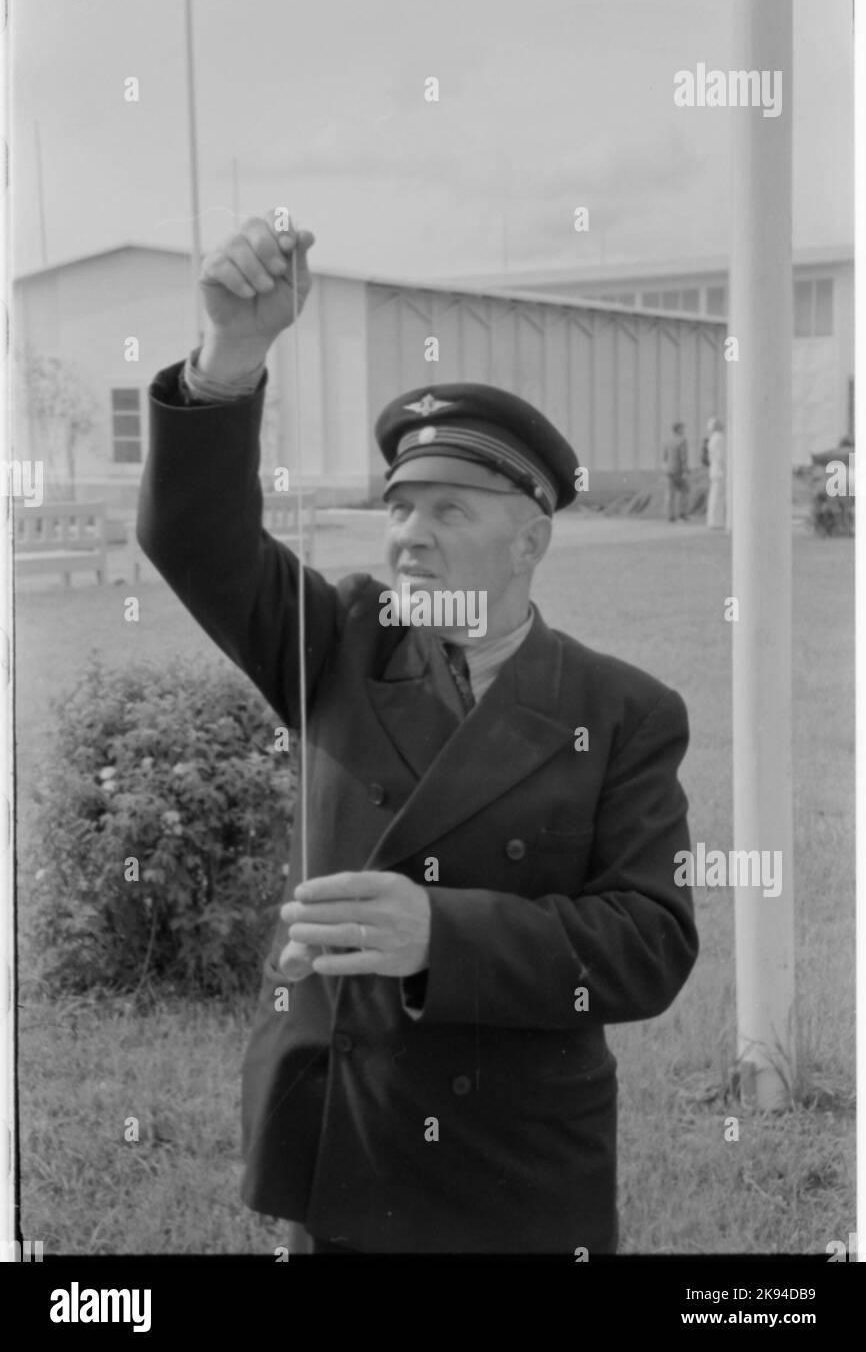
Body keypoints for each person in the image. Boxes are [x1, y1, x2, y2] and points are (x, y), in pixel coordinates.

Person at [137, 210, 699, 1255]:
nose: (408, 535)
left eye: (447, 508)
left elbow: (649, 946)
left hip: (516, 1167)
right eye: (399, 504)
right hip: (344, 1132)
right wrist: (232, 354)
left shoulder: (622, 712)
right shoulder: (337, 643)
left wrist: (439, 933)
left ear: (529, 537)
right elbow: (193, 537)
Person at [663, 421, 689, 521]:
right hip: (679, 470)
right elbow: (683, 457)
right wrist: (685, 470)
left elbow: (664, 457)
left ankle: (670, 515)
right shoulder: (682, 440)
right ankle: (682, 513)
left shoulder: (667, 441)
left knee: (670, 493)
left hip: (669, 470)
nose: (683, 430)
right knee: (684, 492)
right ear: (678, 429)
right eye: (682, 428)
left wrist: (666, 468)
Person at [706, 417, 726, 529]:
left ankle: (714, 520)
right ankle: (716, 521)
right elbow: (721, 456)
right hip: (720, 471)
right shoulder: (719, 438)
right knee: (718, 497)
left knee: (715, 496)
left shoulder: (713, 438)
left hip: (715, 470)